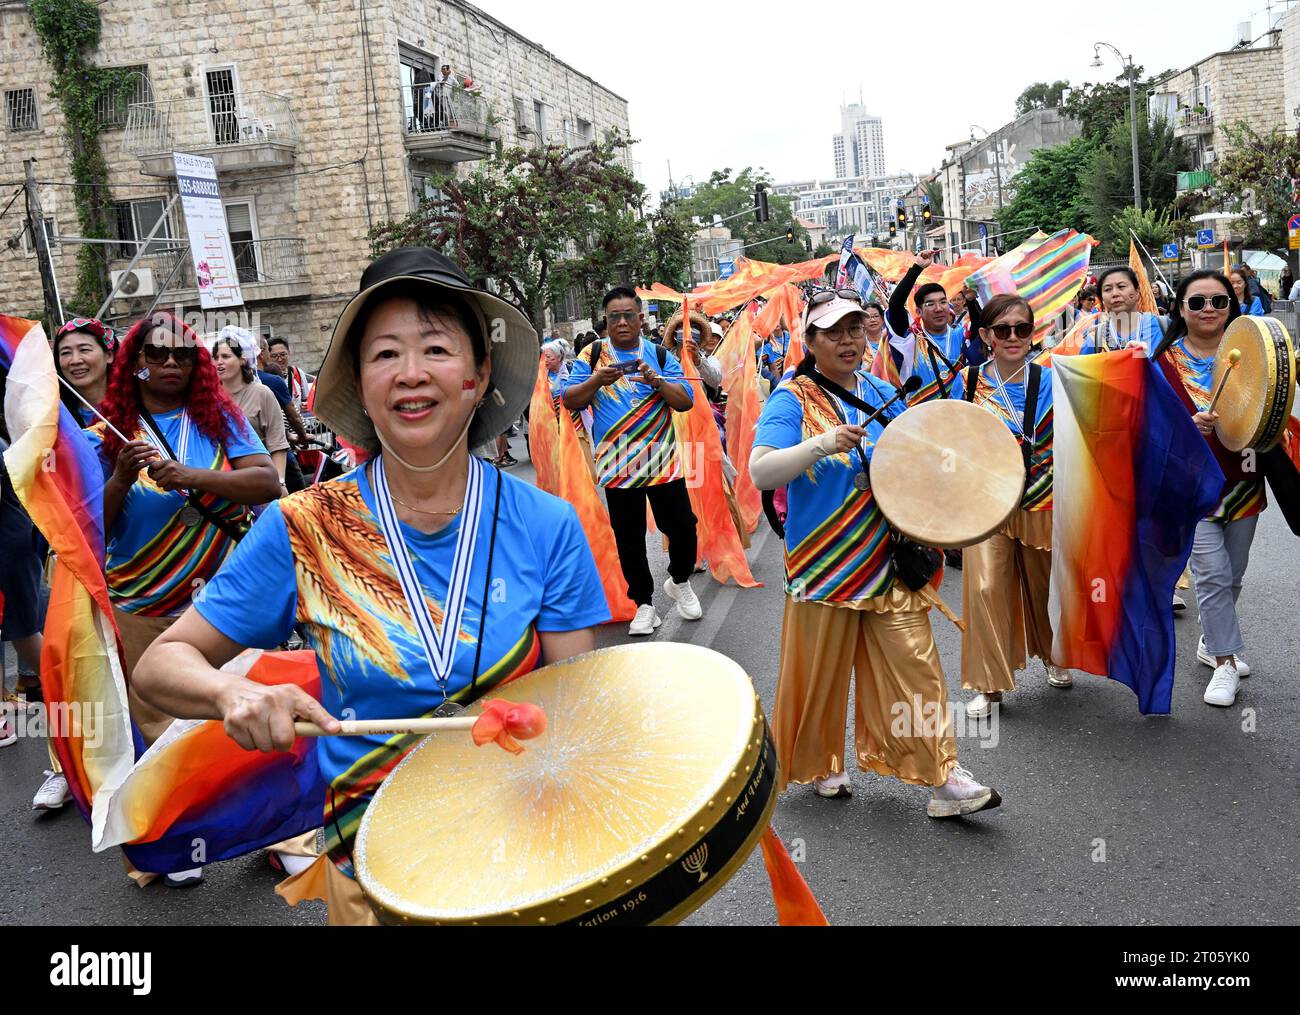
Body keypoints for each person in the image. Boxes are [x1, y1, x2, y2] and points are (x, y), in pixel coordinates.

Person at [132, 247, 609, 924]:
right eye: (385, 354)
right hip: (374, 871)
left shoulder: (546, 524)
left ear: (477, 377)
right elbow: (157, 666)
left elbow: (575, 707)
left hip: (521, 862)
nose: (411, 373)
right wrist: (229, 690)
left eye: (437, 348)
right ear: (360, 382)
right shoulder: (302, 527)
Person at [748, 288, 1000, 815]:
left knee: (919, 668)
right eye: (833, 332)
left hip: (887, 561)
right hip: (825, 563)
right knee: (819, 674)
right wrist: (821, 444)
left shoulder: (881, 387)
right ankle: (820, 762)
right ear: (809, 340)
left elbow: (911, 464)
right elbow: (762, 470)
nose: (847, 341)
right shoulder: (790, 398)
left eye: (855, 329)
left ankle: (943, 775)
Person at [562, 287, 702, 636]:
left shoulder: (658, 353)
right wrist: (596, 380)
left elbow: (685, 401)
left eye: (628, 315)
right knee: (630, 539)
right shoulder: (591, 354)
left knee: (683, 527)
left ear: (641, 319)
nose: (622, 322)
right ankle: (643, 604)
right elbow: (569, 400)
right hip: (616, 463)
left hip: (662, 460)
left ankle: (680, 580)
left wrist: (657, 382)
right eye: (614, 317)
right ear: (605, 321)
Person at [959, 295, 1072, 719]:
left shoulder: (1054, 379)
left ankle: (1054, 655)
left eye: (1021, 329)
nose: (1012, 337)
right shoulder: (967, 381)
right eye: (1002, 329)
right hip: (985, 506)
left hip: (1042, 500)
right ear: (986, 335)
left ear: (1033, 333)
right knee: (986, 589)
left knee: (1045, 589)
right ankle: (988, 685)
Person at [1152, 271, 1258, 708]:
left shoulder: (1255, 357)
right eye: (1197, 302)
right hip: (1194, 487)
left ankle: (1211, 640)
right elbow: (1150, 432)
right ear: (1180, 309)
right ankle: (1225, 661)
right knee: (1211, 575)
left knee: (1232, 574)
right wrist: (1185, 427)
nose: (1208, 309)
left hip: (1246, 479)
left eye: (1218, 300)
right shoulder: (1162, 365)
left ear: (1232, 306)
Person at [884, 251, 976, 401]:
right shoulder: (910, 340)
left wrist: (972, 301)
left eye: (943, 302)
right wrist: (917, 268)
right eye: (930, 304)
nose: (938, 308)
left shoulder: (962, 335)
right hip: (921, 420)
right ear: (919, 311)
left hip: (961, 419)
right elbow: (895, 305)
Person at [210, 327, 291, 498]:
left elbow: (277, 444)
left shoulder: (262, 393)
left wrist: (279, 482)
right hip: (222, 486)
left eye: (225, 356)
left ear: (242, 360)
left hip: (259, 483)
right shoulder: (209, 398)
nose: (219, 362)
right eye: (215, 357)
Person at [1079, 267, 1167, 352]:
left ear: (1137, 292)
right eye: (1107, 289)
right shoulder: (1094, 339)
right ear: (1102, 299)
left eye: (1121, 286)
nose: (1115, 293)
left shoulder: (1162, 326)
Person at [54, 318, 116, 425]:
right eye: (66, 353)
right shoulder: (55, 416)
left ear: (109, 356)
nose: (75, 361)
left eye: (84, 350)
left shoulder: (138, 403)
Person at [267, 336, 314, 408]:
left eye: (283, 355)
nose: (279, 359)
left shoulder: (297, 373)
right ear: (268, 356)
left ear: (288, 352)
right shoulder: (265, 378)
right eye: (274, 356)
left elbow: (306, 400)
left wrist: (305, 406)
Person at [862, 302, 886, 370]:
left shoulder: (890, 339)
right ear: (862, 321)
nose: (873, 320)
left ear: (882, 318)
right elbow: (855, 373)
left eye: (876, 316)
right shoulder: (859, 343)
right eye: (868, 317)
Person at [433, 64, 454, 129]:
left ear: (448, 70)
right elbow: (441, 83)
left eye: (444, 69)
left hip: (450, 97)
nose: (442, 70)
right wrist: (447, 75)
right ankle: (447, 124)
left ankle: (452, 123)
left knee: (451, 111)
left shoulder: (451, 77)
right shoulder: (440, 76)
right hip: (443, 96)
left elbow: (458, 85)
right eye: (442, 69)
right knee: (445, 110)